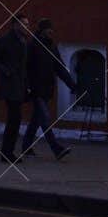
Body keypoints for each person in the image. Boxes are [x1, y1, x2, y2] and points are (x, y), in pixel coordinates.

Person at [23, 19, 77, 161]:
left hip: (46, 89)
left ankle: (26, 147)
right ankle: (57, 149)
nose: (51, 31)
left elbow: (59, 67)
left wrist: (72, 85)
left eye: (51, 29)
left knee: (36, 120)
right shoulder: (33, 45)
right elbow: (25, 68)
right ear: (41, 30)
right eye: (48, 29)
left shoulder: (51, 46)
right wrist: (27, 87)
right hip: (36, 89)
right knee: (45, 119)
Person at [0, 15, 31, 164]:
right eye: (24, 24)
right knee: (14, 119)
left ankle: (8, 152)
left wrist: (27, 85)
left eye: (27, 24)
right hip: (9, 85)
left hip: (19, 85)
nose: (27, 27)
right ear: (15, 25)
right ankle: (7, 153)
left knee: (15, 120)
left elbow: (25, 67)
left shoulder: (24, 41)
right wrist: (6, 71)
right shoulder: (5, 40)